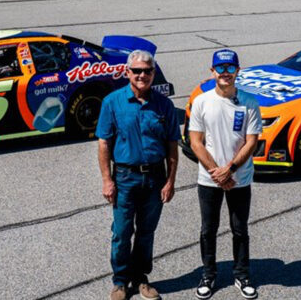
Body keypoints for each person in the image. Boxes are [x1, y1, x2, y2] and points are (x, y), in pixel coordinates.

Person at [97, 49, 180, 300]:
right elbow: (104, 143)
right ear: (127, 72)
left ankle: (141, 278)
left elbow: (172, 146)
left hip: (155, 178)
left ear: (153, 74)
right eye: (137, 71)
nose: (142, 75)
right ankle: (120, 281)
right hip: (125, 178)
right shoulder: (112, 102)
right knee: (122, 233)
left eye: (147, 71)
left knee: (146, 232)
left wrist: (170, 181)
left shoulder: (164, 105)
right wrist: (107, 180)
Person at [188, 49, 262, 300]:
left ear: (238, 71)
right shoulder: (202, 101)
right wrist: (216, 173)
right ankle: (208, 275)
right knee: (208, 229)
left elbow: (251, 142)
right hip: (209, 179)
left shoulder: (250, 102)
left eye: (231, 68)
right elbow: (195, 142)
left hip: (239, 178)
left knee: (240, 229)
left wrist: (229, 170)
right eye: (221, 68)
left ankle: (242, 275)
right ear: (212, 71)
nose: (226, 73)